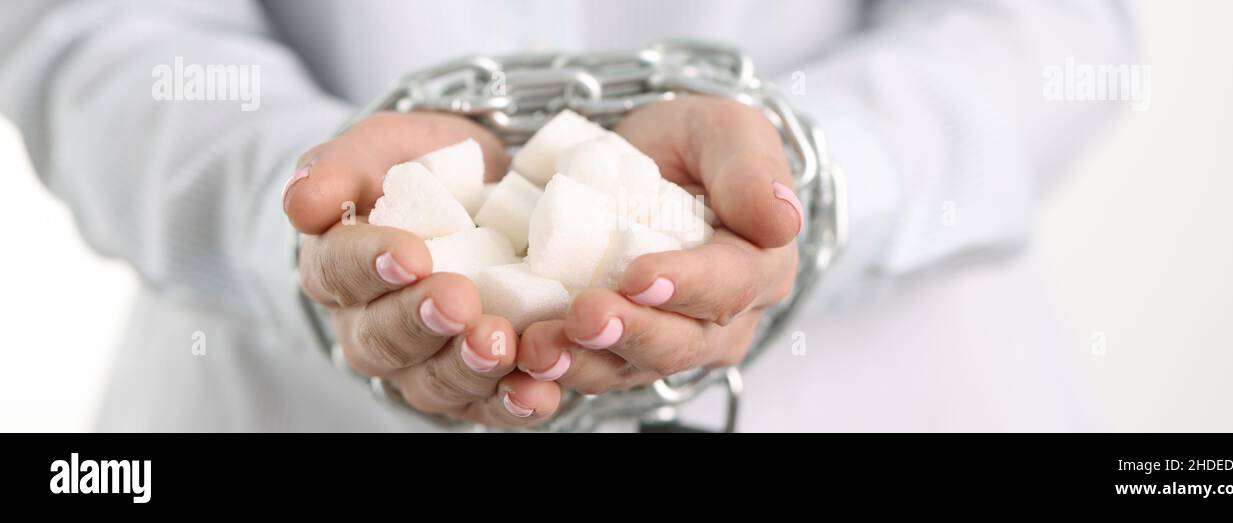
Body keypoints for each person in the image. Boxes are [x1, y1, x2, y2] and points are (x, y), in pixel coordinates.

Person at [0, 0, 1134, 431]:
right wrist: (283, 204)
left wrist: (815, 174)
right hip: (277, 399)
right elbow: (83, 25)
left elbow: (1057, 28)